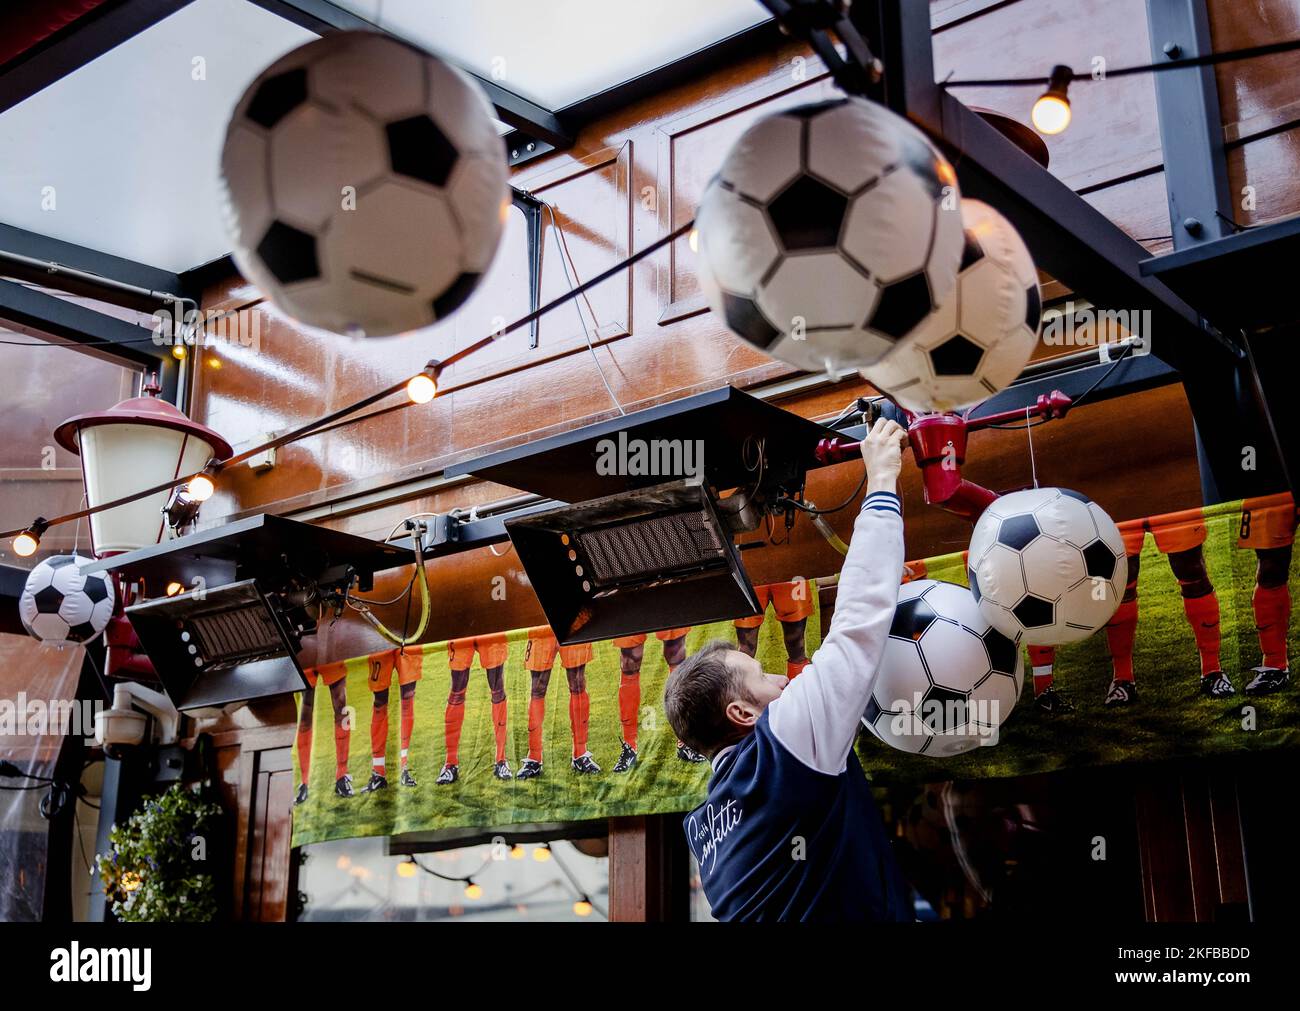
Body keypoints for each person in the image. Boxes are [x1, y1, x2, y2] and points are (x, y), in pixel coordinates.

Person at [663, 416, 912, 921]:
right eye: (762, 677)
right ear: (742, 713)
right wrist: (882, 480)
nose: (782, 679)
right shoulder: (783, 748)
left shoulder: (704, 829)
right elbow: (857, 623)